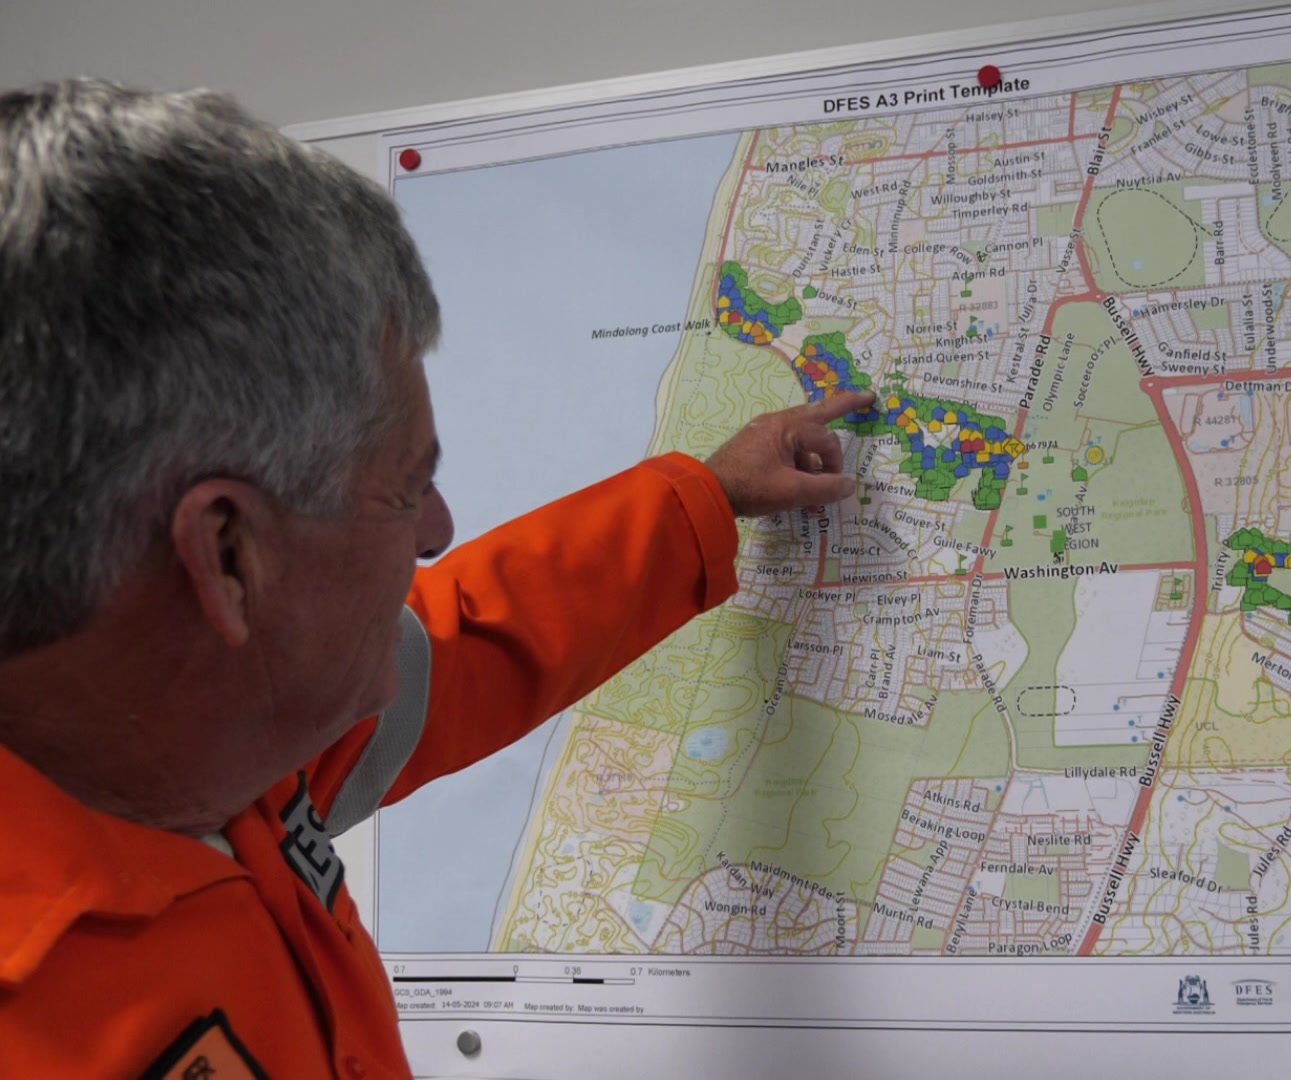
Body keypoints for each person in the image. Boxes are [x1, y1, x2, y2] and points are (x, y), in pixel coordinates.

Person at [0, 78, 872, 1077]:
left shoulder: (208, 735)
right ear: (230, 556)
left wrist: (700, 504)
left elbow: (463, 648)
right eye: (407, 487)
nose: (437, 531)